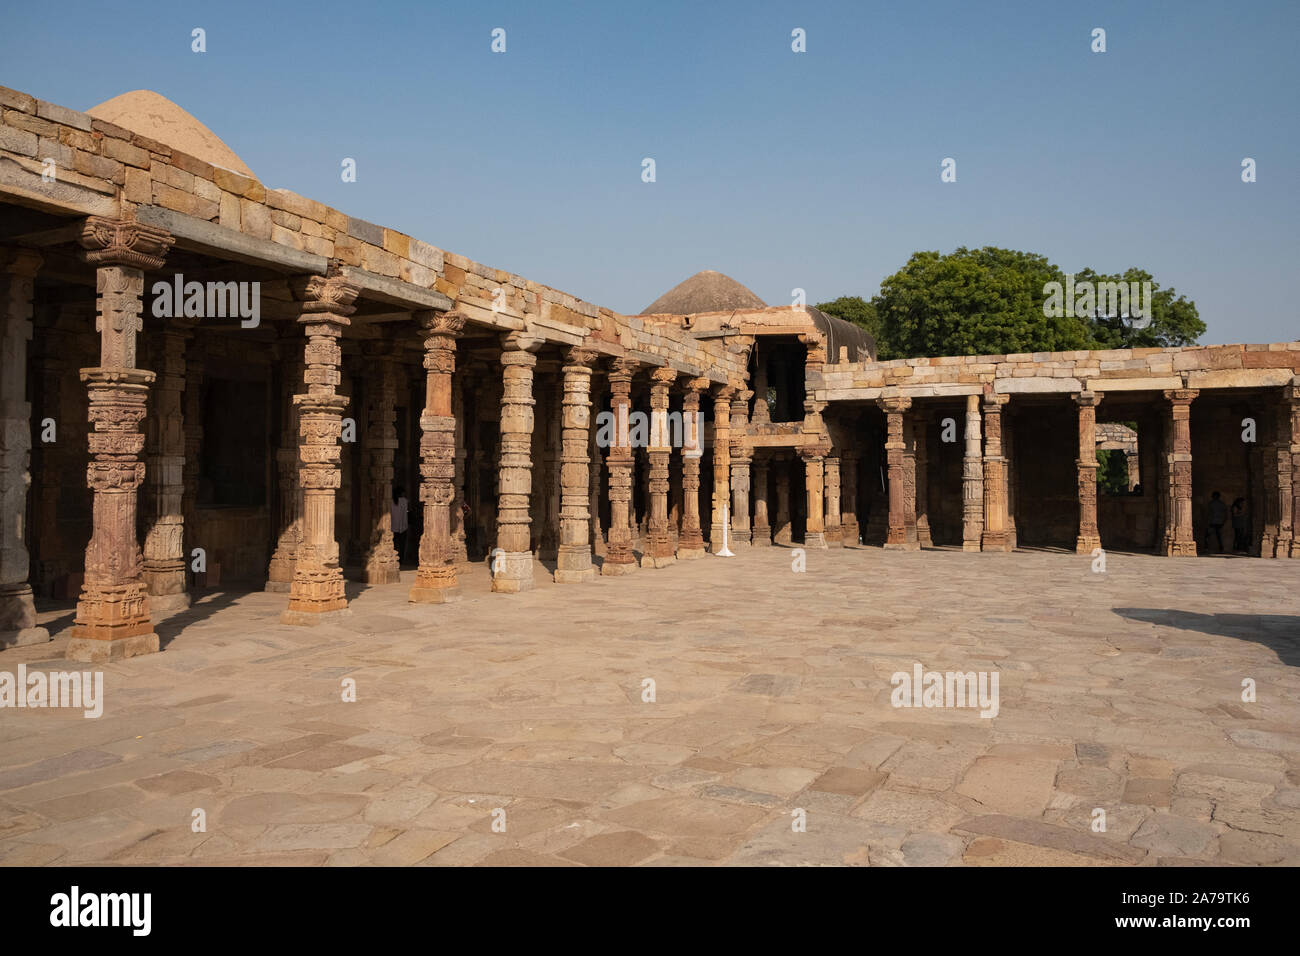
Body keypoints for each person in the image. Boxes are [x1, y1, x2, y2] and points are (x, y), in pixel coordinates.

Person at [392, 485, 410, 563]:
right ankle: (401, 559)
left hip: (392, 526)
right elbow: (406, 512)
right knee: (402, 544)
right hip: (403, 526)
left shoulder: (390, 501)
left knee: (394, 543)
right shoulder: (404, 501)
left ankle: (394, 558)